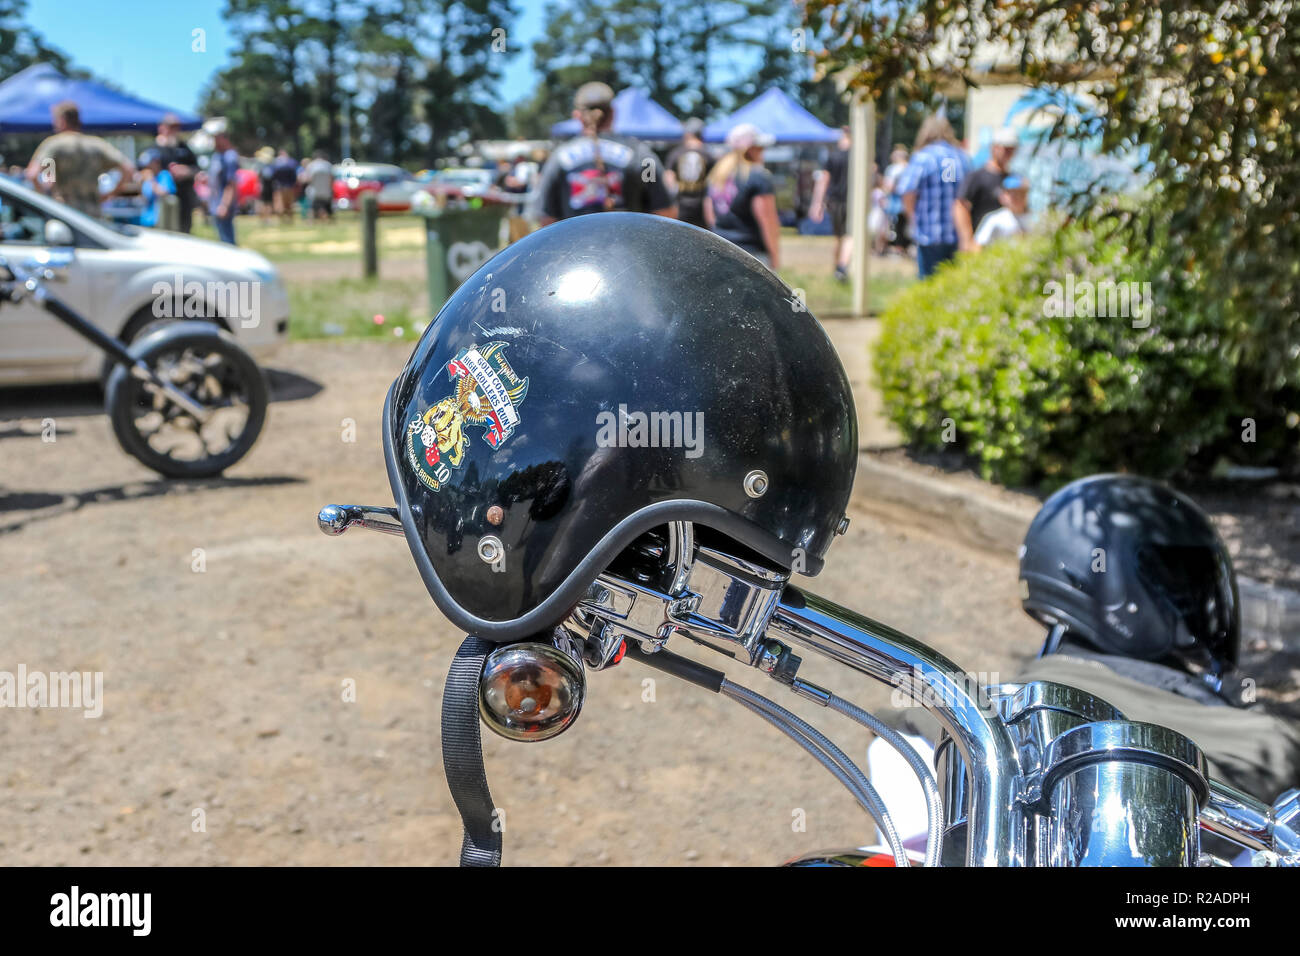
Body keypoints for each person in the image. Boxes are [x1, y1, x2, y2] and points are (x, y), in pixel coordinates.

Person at [537, 82, 675, 224]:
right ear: (613, 113)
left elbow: (546, 218)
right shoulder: (643, 156)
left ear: (577, 116)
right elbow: (664, 211)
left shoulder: (559, 158)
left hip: (575, 245)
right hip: (629, 244)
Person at [24, 101, 134, 218]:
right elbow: (128, 168)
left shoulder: (54, 144)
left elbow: (32, 174)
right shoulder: (96, 144)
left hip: (66, 214)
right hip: (93, 215)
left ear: (62, 120)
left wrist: (47, 200)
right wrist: (110, 195)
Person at [896, 113, 970, 278]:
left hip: (929, 232)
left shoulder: (924, 157)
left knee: (929, 286)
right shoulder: (961, 157)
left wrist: (912, 217)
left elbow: (907, 190)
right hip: (957, 233)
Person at [704, 123, 781, 270]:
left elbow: (710, 215)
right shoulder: (758, 176)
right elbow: (768, 220)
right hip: (751, 255)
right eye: (760, 148)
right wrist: (775, 258)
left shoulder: (717, 175)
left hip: (720, 252)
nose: (762, 152)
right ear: (751, 149)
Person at [954, 126, 1019, 252]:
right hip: (980, 244)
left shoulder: (1012, 178)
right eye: (1006, 149)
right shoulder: (977, 177)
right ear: (994, 148)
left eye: (1012, 149)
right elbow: (960, 205)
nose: (1009, 153)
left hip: (1004, 246)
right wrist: (967, 240)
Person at [808, 126, 851, 280]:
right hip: (852, 202)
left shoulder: (833, 156)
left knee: (838, 237)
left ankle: (837, 268)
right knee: (849, 236)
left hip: (834, 202)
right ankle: (842, 267)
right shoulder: (858, 157)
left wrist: (817, 203)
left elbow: (823, 181)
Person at [153, 114, 200, 233]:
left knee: (184, 232)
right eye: (170, 127)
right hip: (163, 200)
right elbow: (144, 171)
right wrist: (155, 186)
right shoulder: (155, 149)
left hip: (184, 199)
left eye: (176, 127)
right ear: (161, 128)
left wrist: (186, 171)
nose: (174, 131)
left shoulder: (184, 147)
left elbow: (196, 169)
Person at [665, 117, 713, 228]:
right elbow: (714, 183)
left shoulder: (676, 153)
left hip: (680, 205)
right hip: (702, 207)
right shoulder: (709, 155)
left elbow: (669, 180)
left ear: (687, 133)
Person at [973, 175, 1030, 248]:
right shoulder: (995, 219)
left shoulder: (1033, 220)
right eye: (1012, 194)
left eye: (1021, 193)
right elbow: (978, 246)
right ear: (1002, 196)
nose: (1017, 197)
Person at [208, 120, 240, 245]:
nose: (213, 141)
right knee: (222, 240)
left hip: (223, 206)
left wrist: (225, 205)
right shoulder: (217, 156)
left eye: (215, 138)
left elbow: (231, 184)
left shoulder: (230, 157)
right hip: (215, 204)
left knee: (228, 242)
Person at [136, 149, 176, 228]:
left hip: (161, 223)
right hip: (144, 220)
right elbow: (143, 199)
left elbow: (163, 193)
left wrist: (151, 180)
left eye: (149, 164)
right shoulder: (147, 178)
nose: (146, 167)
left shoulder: (164, 175)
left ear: (156, 162)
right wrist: (139, 184)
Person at [882, 145, 910, 254]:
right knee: (903, 225)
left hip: (896, 202)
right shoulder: (909, 167)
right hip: (905, 201)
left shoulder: (893, 169)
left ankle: (898, 247)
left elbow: (888, 186)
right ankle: (902, 247)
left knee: (896, 225)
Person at [301, 150, 334, 220]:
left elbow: (308, 179)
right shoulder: (328, 165)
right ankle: (326, 220)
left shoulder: (311, 165)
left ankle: (311, 221)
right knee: (326, 207)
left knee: (312, 207)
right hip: (326, 191)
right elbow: (332, 179)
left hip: (314, 191)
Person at [270, 149, 300, 222]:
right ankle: (289, 220)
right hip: (289, 187)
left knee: (280, 204)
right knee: (289, 204)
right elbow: (295, 175)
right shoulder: (291, 162)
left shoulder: (275, 162)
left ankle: (281, 220)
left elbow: (272, 176)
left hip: (279, 187)